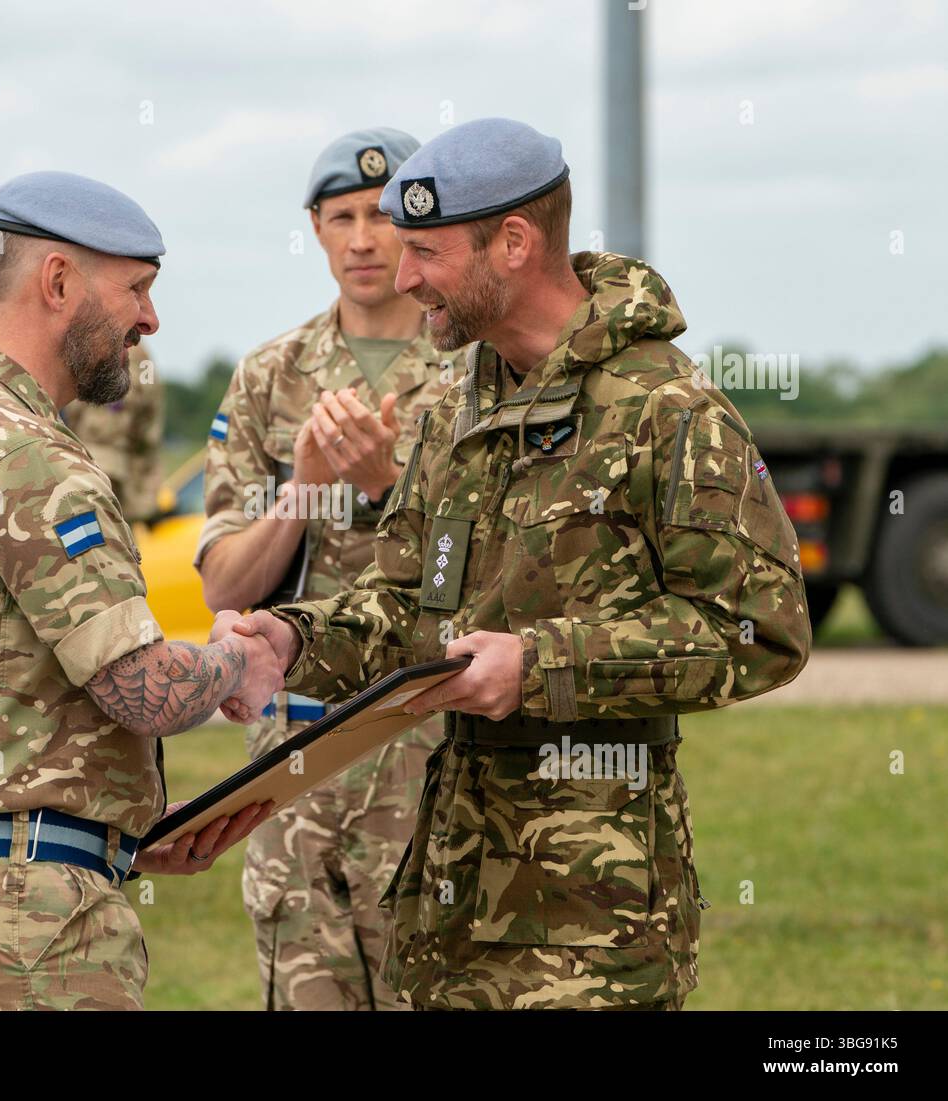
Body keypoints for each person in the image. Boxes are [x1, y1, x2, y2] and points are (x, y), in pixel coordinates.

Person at [218, 117, 811, 1010]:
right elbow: (408, 605)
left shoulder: (667, 410)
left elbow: (760, 630)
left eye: (426, 251)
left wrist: (540, 666)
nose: (403, 275)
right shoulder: (461, 411)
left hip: (590, 924)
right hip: (450, 909)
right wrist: (288, 641)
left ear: (515, 244)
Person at [0, 171, 278, 1011]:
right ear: (57, 283)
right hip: (12, 927)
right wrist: (232, 659)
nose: (149, 321)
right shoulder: (22, 453)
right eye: (137, 289)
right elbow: (143, 689)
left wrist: (117, 829)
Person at [196, 127, 454, 1011]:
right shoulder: (272, 376)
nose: (363, 238)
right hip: (295, 752)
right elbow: (224, 588)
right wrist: (301, 493)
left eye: (384, 216)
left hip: (423, 740)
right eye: (341, 216)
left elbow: (489, 573)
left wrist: (387, 489)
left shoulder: (475, 370)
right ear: (314, 228)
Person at [62, 341, 163, 526]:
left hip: (86, 461)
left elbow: (69, 407)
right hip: (117, 466)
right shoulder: (140, 356)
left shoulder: (89, 341)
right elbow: (148, 424)